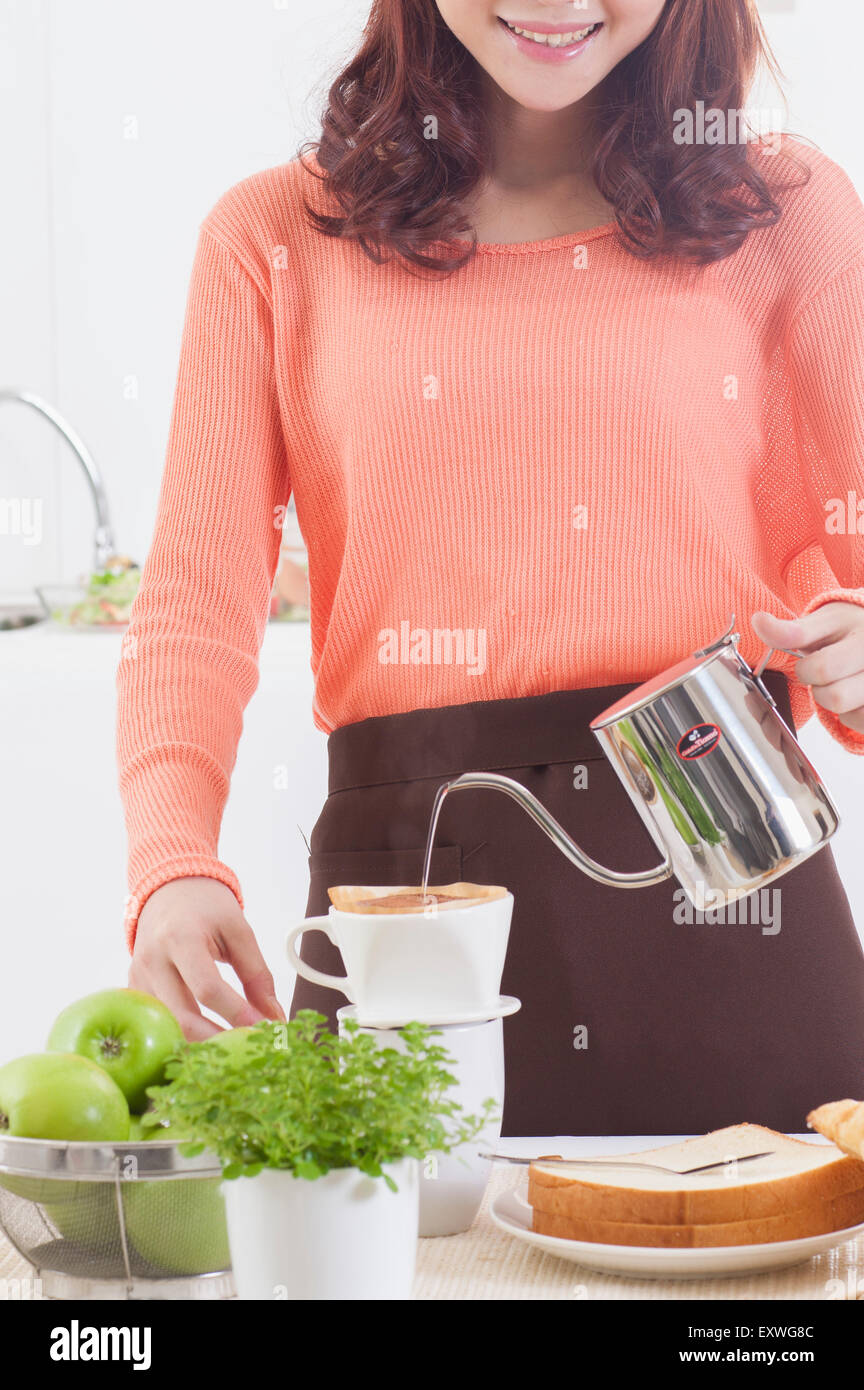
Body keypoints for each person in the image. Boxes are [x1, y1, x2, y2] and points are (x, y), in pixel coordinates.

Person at [118, 0, 864, 1135]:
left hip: (733, 896)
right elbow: (193, 601)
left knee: (765, 1297)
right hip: (409, 908)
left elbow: (846, 561)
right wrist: (172, 860)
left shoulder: (783, 212)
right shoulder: (273, 233)